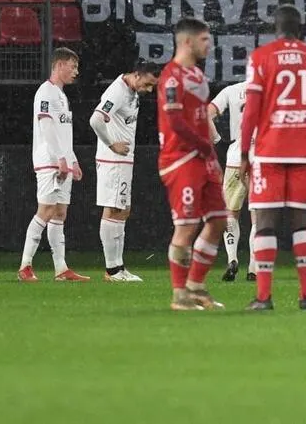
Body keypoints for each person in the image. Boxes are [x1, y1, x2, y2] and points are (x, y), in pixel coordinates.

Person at [238, 4, 306, 311]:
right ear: (300, 29)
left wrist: (243, 153)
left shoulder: (261, 58)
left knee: (265, 224)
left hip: (269, 152)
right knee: (301, 224)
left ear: (275, 29)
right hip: (305, 153)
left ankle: (264, 297)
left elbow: (250, 110)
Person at [156, 17, 228, 311]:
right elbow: (175, 122)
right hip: (180, 159)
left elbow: (202, 120)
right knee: (185, 228)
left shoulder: (198, 76)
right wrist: (203, 147)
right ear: (188, 41)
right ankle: (179, 294)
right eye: (204, 40)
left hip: (202, 158)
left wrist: (212, 155)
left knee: (219, 220)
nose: (208, 45)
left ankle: (196, 285)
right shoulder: (171, 76)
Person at [19, 48, 89, 282]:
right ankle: (25, 266)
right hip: (49, 161)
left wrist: (73, 160)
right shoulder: (46, 92)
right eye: (73, 66)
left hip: (62, 161)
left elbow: (62, 131)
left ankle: (61, 269)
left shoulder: (60, 95)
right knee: (46, 210)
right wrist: (60, 158)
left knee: (59, 213)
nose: (76, 71)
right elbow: (46, 125)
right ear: (59, 65)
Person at [90, 60, 161, 282]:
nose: (149, 90)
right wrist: (112, 144)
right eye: (148, 84)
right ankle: (112, 270)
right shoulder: (118, 91)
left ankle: (118, 267)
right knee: (113, 209)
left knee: (123, 209)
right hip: (113, 160)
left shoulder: (131, 91)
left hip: (123, 160)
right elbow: (95, 120)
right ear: (137, 75)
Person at [207, 80, 256, 282]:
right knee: (259, 217)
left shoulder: (232, 90)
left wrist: (218, 140)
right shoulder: (273, 90)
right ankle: (253, 267)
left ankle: (232, 258)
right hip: (262, 158)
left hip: (236, 156)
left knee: (231, 214)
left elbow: (206, 114)